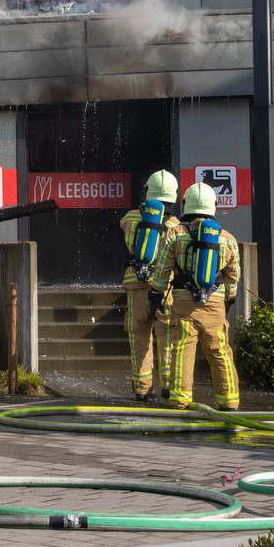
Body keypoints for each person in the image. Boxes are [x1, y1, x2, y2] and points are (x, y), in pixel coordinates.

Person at [153, 181, 242, 411]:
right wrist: (229, 298)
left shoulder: (175, 234)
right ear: (213, 206)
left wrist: (156, 294)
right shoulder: (227, 238)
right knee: (220, 350)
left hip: (183, 302)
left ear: (186, 204)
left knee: (182, 349)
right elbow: (233, 275)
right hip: (215, 303)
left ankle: (180, 399)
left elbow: (163, 268)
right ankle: (229, 401)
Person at [118, 169, 184, 402]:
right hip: (163, 289)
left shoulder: (131, 218)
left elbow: (125, 229)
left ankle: (142, 388)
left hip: (135, 287)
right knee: (166, 338)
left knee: (139, 338)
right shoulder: (176, 224)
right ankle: (167, 385)